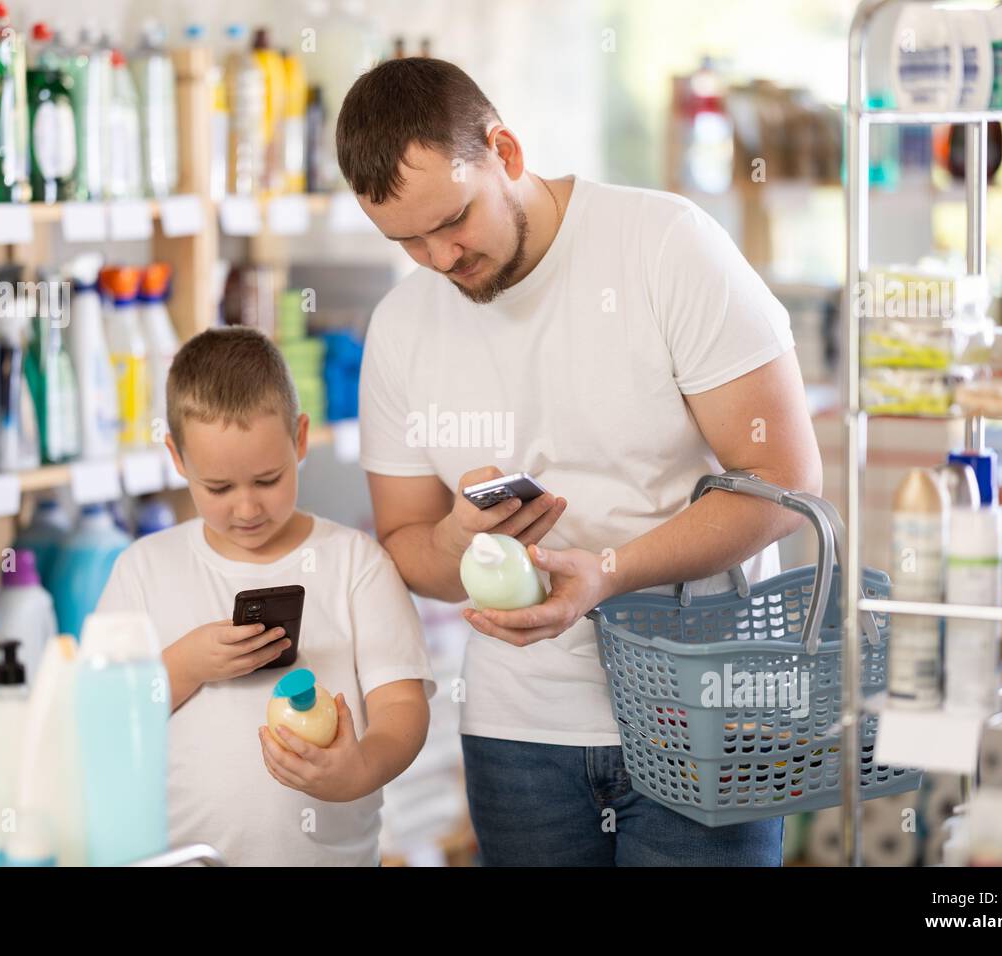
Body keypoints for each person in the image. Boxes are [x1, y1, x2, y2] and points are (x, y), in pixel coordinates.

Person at [338, 57, 822, 866]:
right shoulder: (401, 326)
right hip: (517, 740)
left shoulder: (666, 247)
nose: (439, 258)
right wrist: (459, 539)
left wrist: (608, 570)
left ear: (507, 151)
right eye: (406, 239)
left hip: (702, 714)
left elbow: (786, 483)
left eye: (453, 219)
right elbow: (406, 545)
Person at [96, 327, 434, 865]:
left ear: (300, 440)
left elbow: (401, 705)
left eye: (268, 479)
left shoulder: (355, 564)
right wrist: (185, 664)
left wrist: (360, 770)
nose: (248, 508)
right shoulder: (143, 570)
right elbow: (106, 716)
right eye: (219, 488)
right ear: (177, 459)